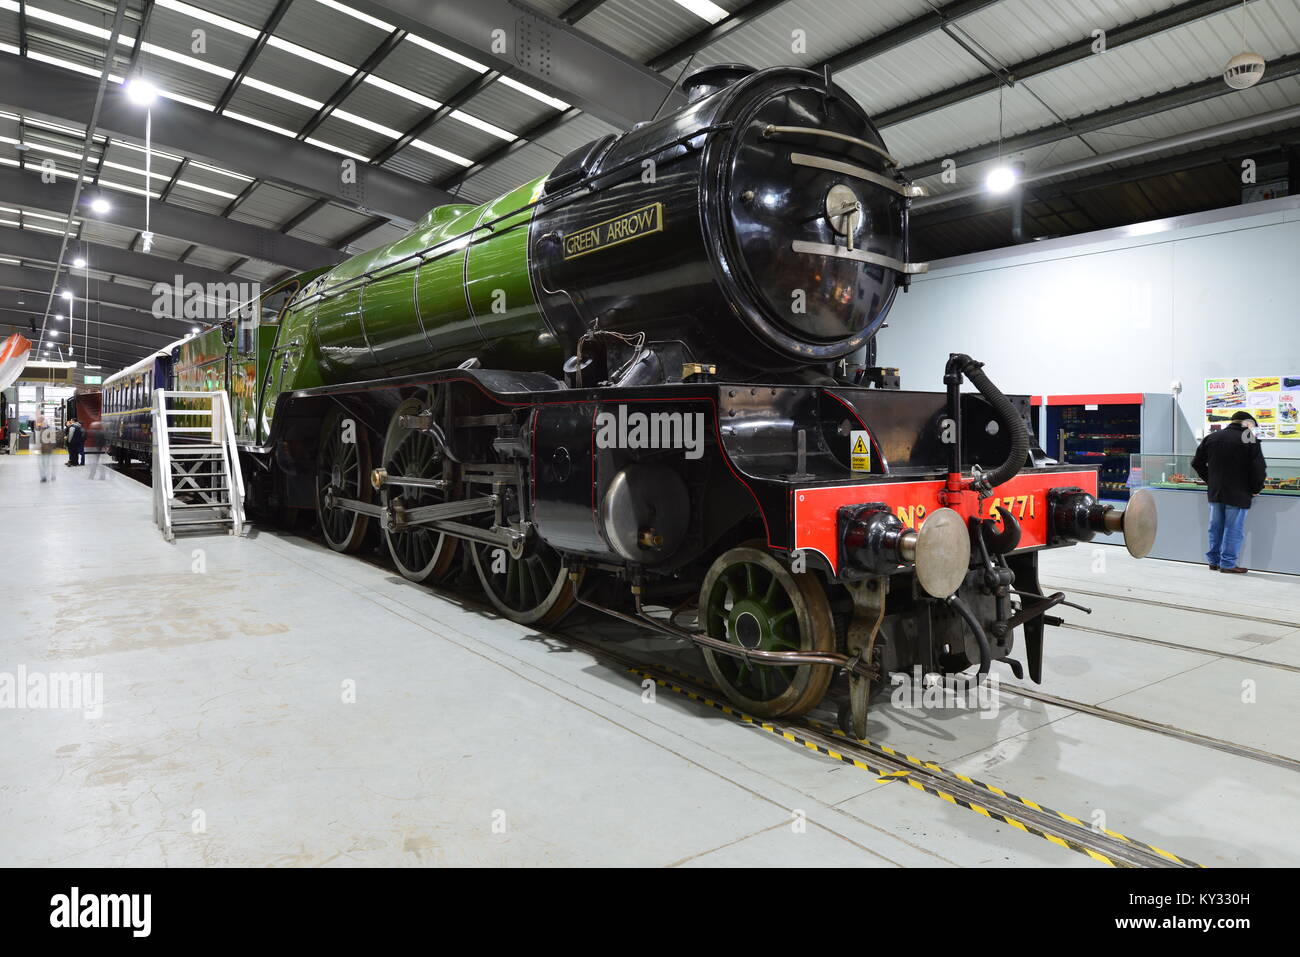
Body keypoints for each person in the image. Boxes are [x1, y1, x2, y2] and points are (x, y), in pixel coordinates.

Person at [1191, 410, 1266, 574]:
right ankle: (1228, 564)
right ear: (1247, 424)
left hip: (1216, 492)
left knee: (1215, 527)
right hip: (1238, 493)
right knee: (1233, 528)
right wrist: (1255, 489)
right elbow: (1258, 469)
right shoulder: (1250, 440)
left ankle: (1214, 561)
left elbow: (1196, 463)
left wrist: (1210, 480)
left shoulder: (1212, 438)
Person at [35, 414, 57, 483]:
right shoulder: (44, 429)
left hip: (46, 450)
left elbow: (53, 441)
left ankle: (45, 477)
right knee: (44, 464)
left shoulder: (47, 430)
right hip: (45, 450)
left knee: (45, 464)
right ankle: (46, 476)